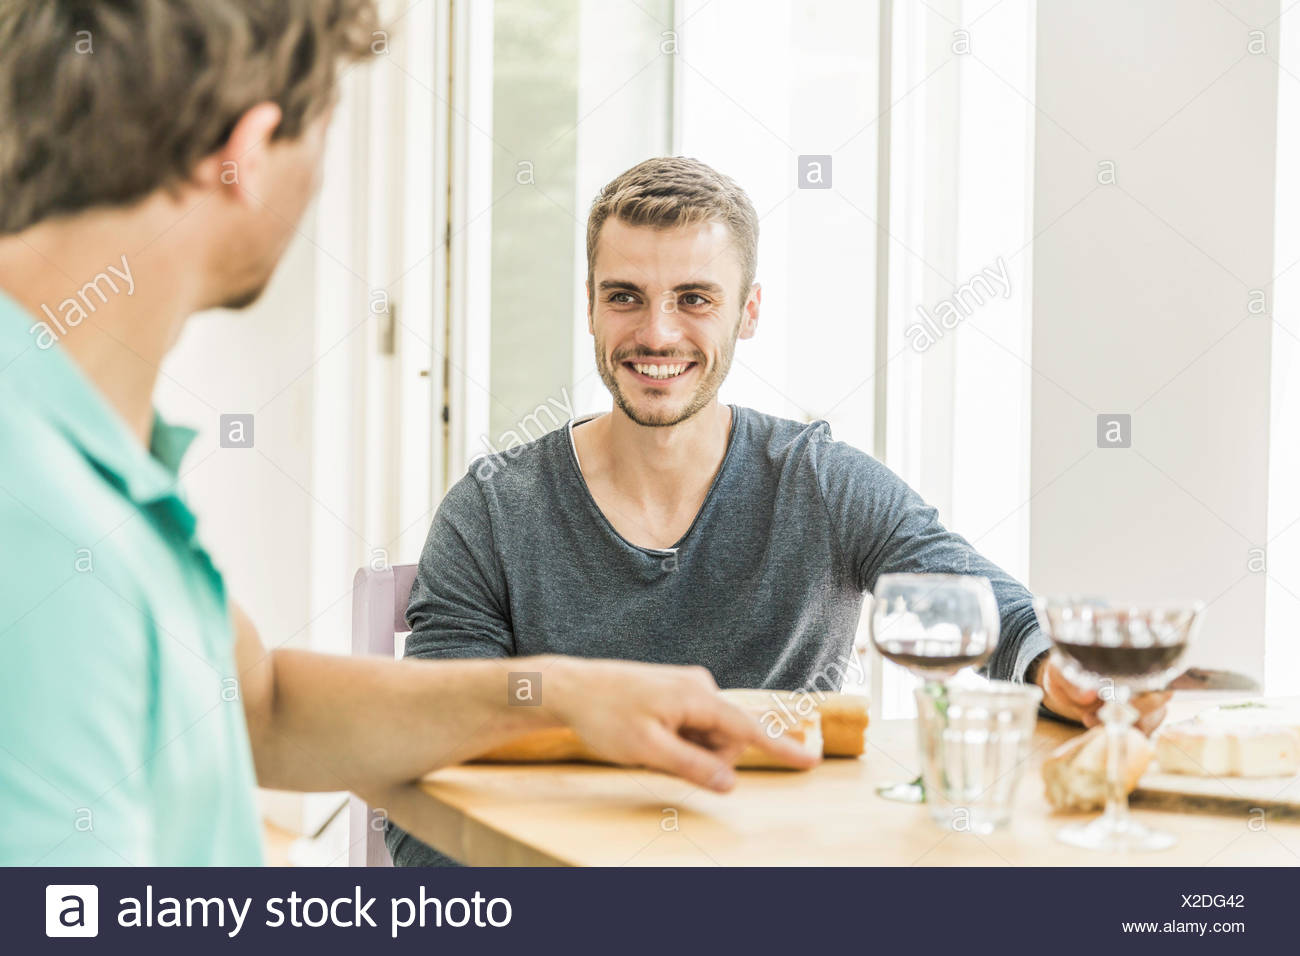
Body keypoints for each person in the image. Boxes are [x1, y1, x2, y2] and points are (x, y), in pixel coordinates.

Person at [0, 1, 816, 867]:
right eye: (324, 134)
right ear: (248, 152)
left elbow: (262, 706)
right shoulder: (39, 518)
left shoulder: (70, 426)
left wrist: (565, 694)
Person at [388, 156, 1170, 866]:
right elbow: (424, 768)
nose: (656, 332)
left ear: (748, 312)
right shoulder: (493, 510)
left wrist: (1048, 666)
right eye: (624, 297)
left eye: (694, 299)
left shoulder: (816, 481)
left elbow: (970, 593)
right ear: (590, 309)